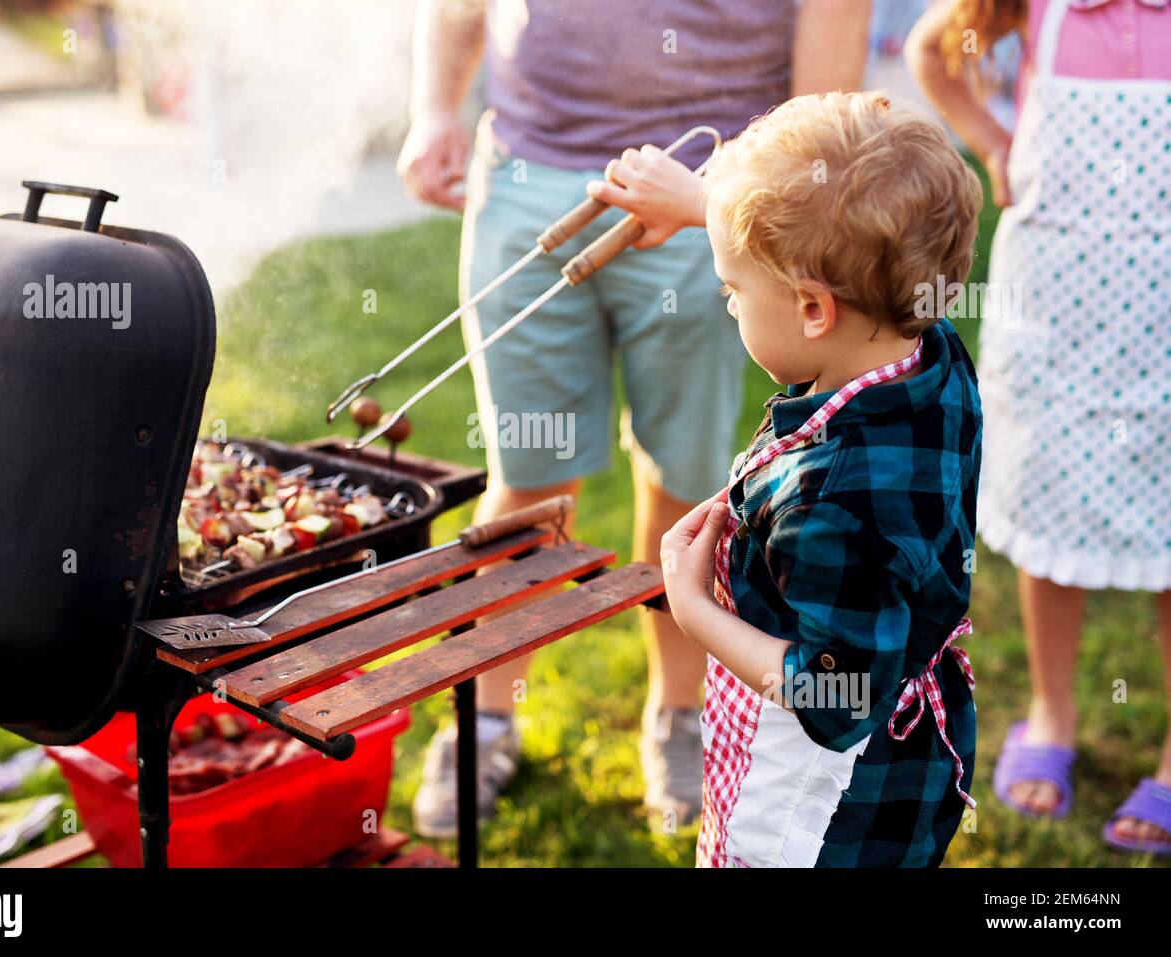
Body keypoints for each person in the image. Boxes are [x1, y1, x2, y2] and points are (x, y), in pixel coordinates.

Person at [396, 0, 872, 837]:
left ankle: (680, 715)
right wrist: (436, 107)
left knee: (688, 479)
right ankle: (487, 716)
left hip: (713, 193)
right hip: (525, 174)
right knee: (529, 473)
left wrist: (733, 201)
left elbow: (826, 96)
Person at [634, 90, 984, 865]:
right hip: (912, 753)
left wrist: (694, 613)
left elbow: (841, 697)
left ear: (813, 309)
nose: (730, 306)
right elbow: (863, 242)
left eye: (733, 291)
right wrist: (710, 207)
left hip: (821, 802)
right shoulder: (926, 346)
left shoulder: (833, 498)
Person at [908, 0, 1171, 854]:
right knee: (1056, 503)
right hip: (1061, 306)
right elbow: (933, 51)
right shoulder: (1040, 7)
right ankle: (1052, 711)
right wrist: (993, 138)